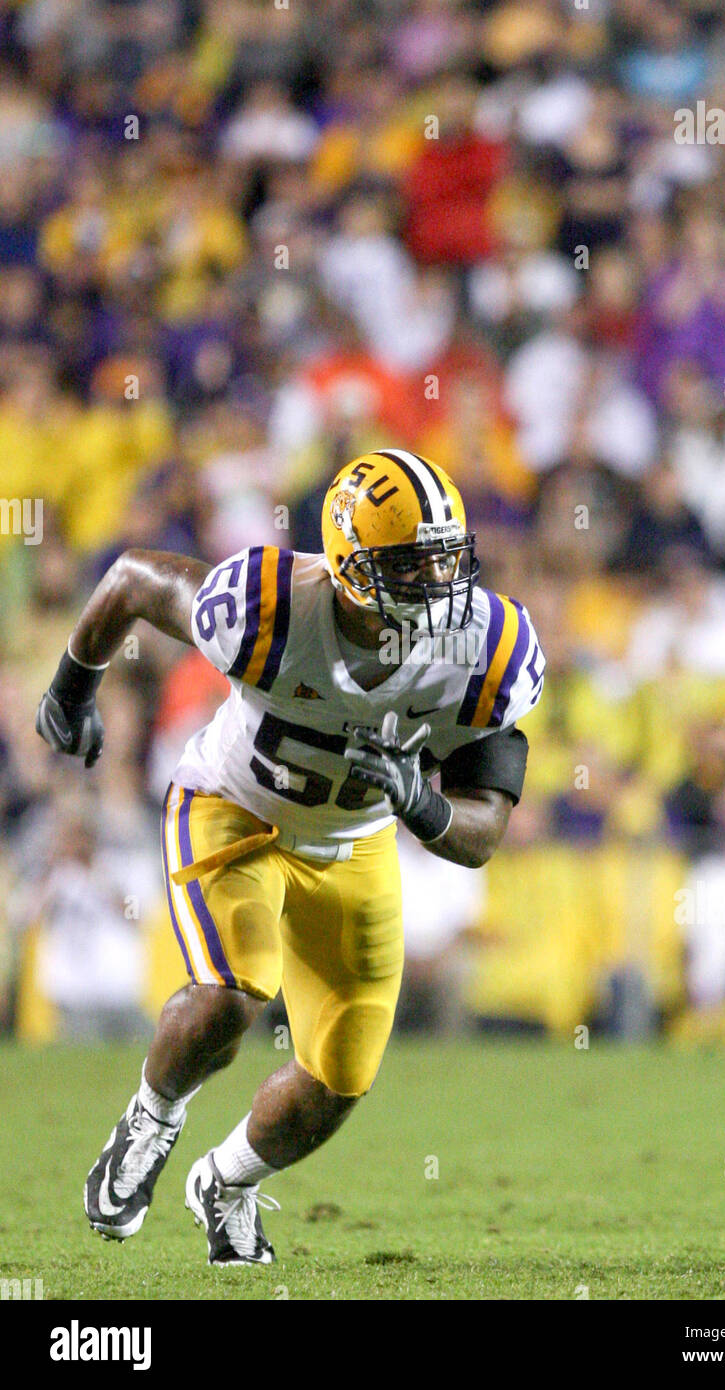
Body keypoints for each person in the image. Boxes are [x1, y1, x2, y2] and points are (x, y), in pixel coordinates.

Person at [36, 448, 545, 1266]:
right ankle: (151, 1120)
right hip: (232, 811)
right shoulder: (265, 606)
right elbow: (132, 576)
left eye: (447, 562)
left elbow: (482, 834)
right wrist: (72, 685)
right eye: (410, 567)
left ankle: (226, 1182)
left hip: (354, 845)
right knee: (229, 998)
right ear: (349, 567)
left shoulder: (488, 650)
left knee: (339, 1076)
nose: (439, 587)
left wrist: (420, 802)